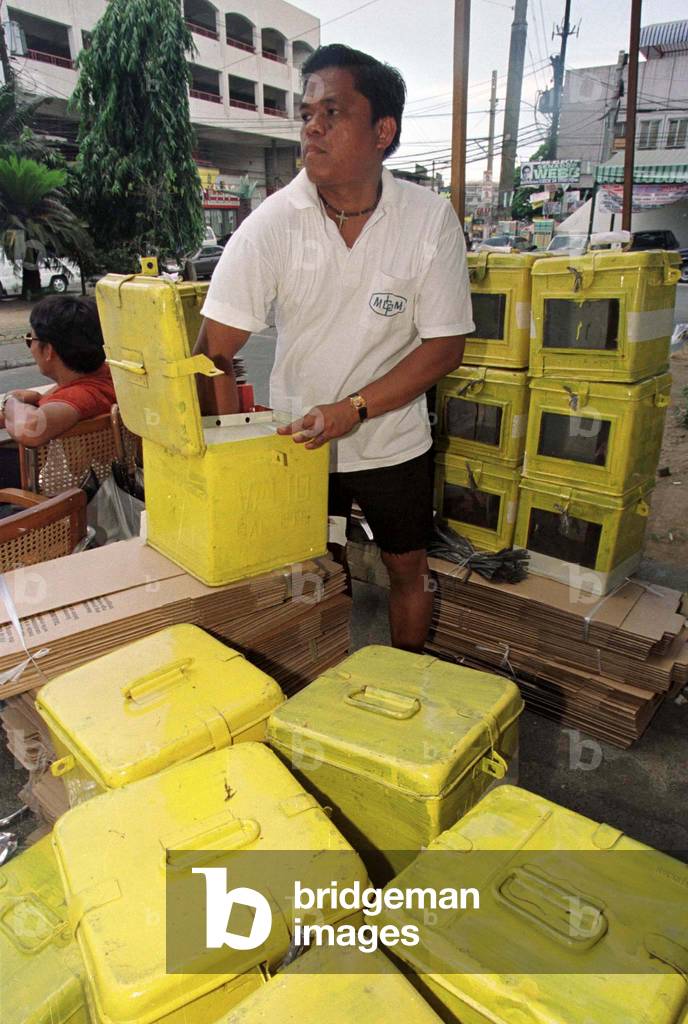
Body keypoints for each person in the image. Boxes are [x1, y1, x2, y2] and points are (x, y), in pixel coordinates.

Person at [194, 43, 474, 652]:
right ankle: (323, 693)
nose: (312, 128)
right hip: (297, 447)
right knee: (314, 573)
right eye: (306, 113)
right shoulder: (272, 224)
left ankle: (408, 675)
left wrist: (355, 408)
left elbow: (445, 345)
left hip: (392, 439)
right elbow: (212, 348)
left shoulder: (428, 221)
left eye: (333, 112)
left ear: (383, 130)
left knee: (407, 569)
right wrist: (220, 450)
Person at [0, 295, 116, 448]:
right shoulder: (107, 376)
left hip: (59, 470)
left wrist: (10, 399)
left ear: (48, 350)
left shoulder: (82, 395)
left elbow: (31, 429)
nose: (31, 349)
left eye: (30, 339)